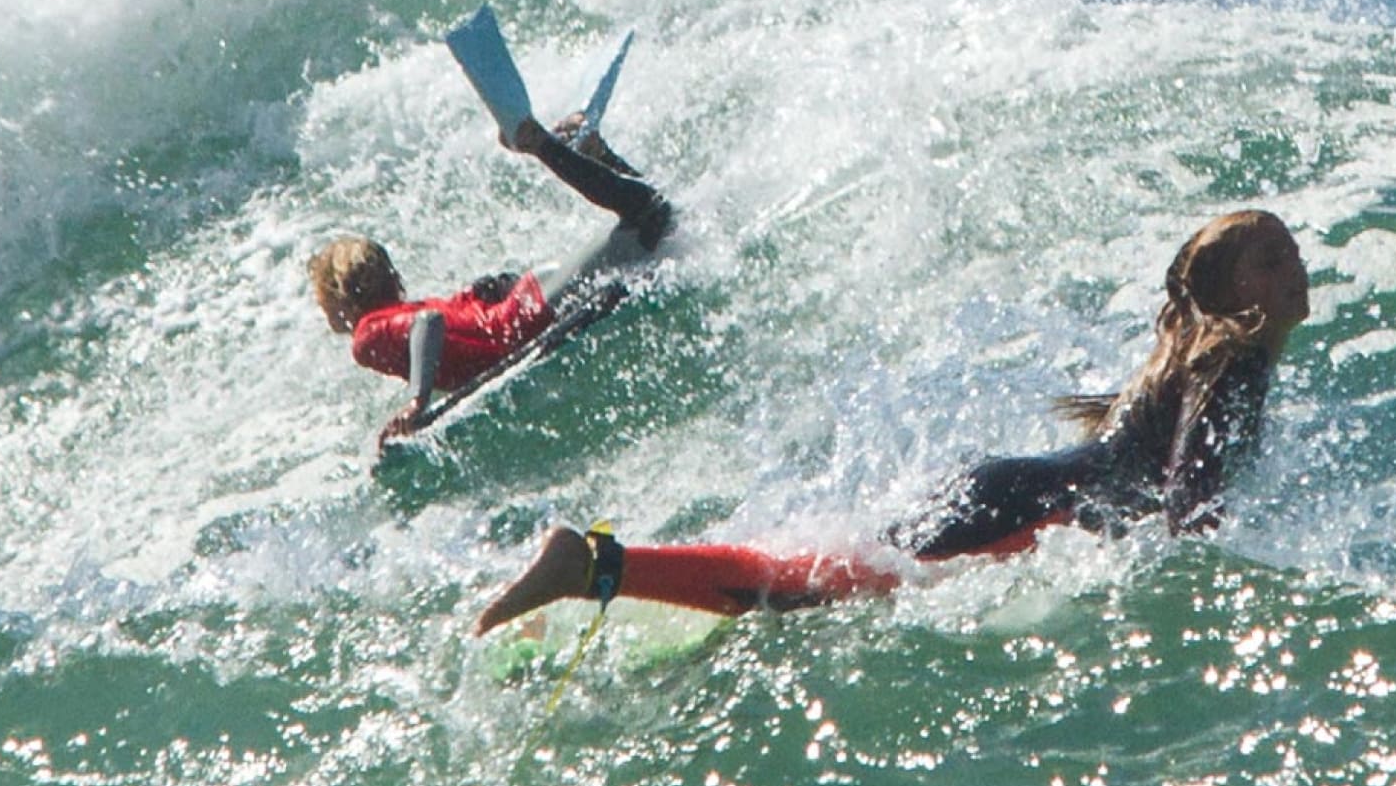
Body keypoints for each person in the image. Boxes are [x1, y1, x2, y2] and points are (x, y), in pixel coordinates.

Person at [470, 206, 1311, 629]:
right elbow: (1189, 504)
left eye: (1291, 251)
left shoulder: (1202, 357)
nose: (1294, 266)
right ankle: (591, 563)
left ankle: (603, 571)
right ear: (1229, 294)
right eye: (1268, 260)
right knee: (798, 589)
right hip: (1026, 506)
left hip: (1011, 490)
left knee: (812, 580)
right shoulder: (1228, 359)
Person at [311, 115, 674, 449]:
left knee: (649, 214)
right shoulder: (410, 309)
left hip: (528, 317)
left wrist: (417, 401)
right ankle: (594, 154)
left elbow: (427, 325)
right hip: (529, 298)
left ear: (338, 294)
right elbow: (456, 316)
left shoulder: (368, 335)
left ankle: (543, 145)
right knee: (663, 224)